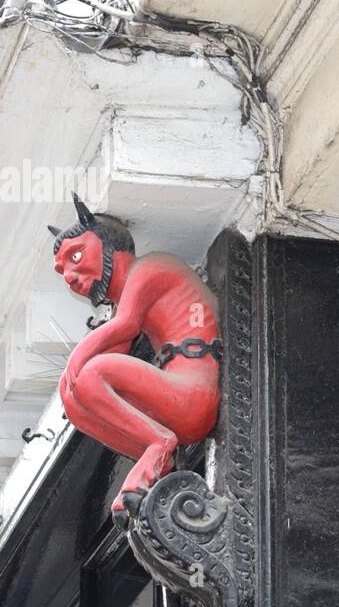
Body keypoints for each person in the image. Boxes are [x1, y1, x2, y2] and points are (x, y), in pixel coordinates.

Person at [49, 196, 221, 522]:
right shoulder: (120, 308)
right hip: (177, 402)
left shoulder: (151, 266)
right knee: (71, 398)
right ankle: (153, 457)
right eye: (62, 270)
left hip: (194, 395)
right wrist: (73, 379)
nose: (69, 275)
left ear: (108, 244)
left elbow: (124, 326)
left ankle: (158, 444)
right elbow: (95, 386)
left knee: (88, 373)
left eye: (76, 256)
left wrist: (77, 361)